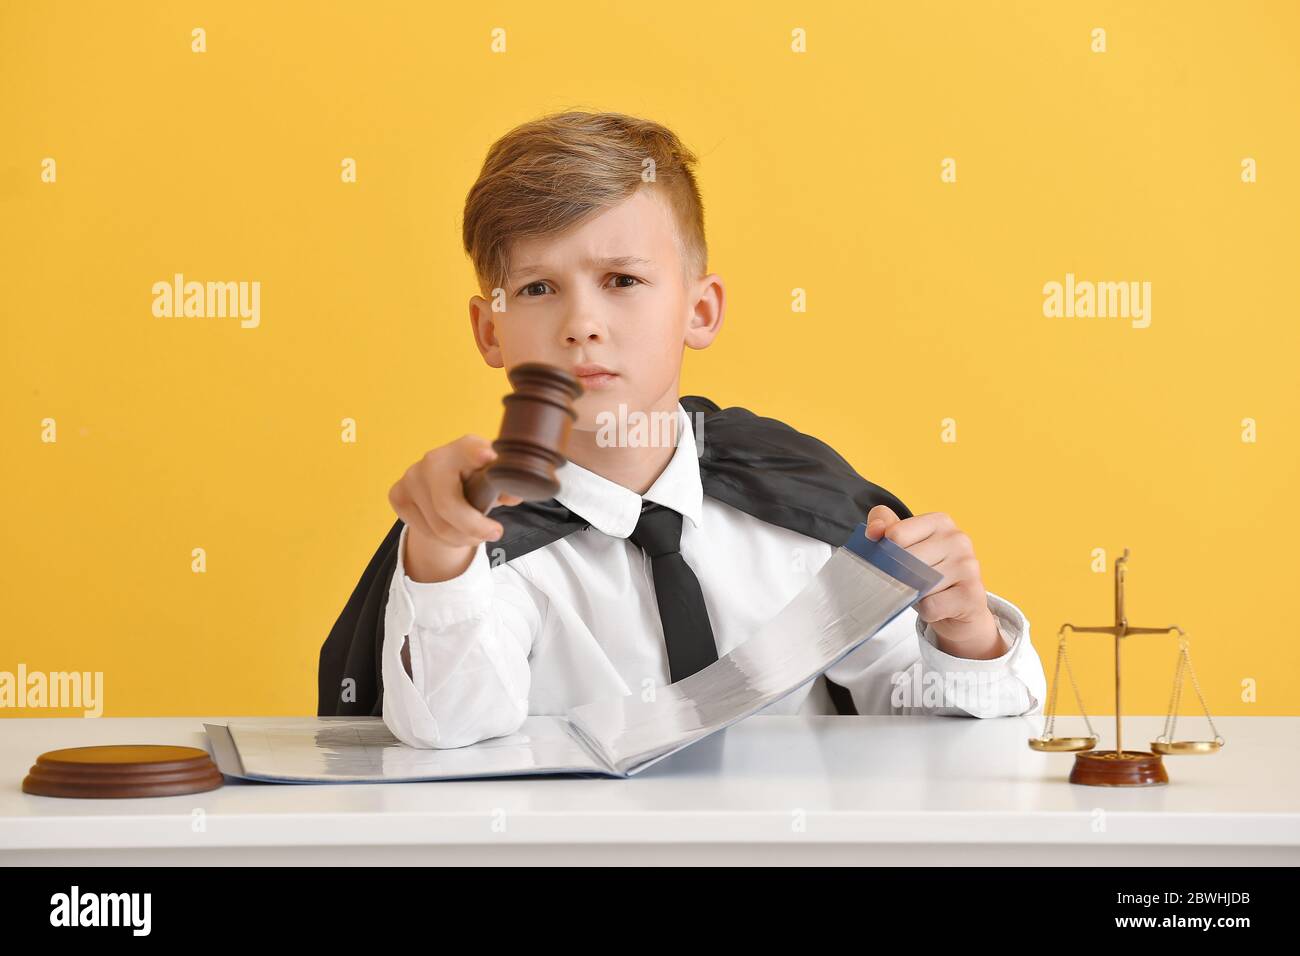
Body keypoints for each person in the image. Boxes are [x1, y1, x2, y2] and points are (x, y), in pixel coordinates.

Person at [318, 110, 1047, 749]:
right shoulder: (482, 546)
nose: (582, 325)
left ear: (700, 311)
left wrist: (966, 638)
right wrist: (441, 557)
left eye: (623, 280)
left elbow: (942, 735)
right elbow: (449, 732)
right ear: (489, 332)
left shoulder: (800, 507)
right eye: (538, 288)